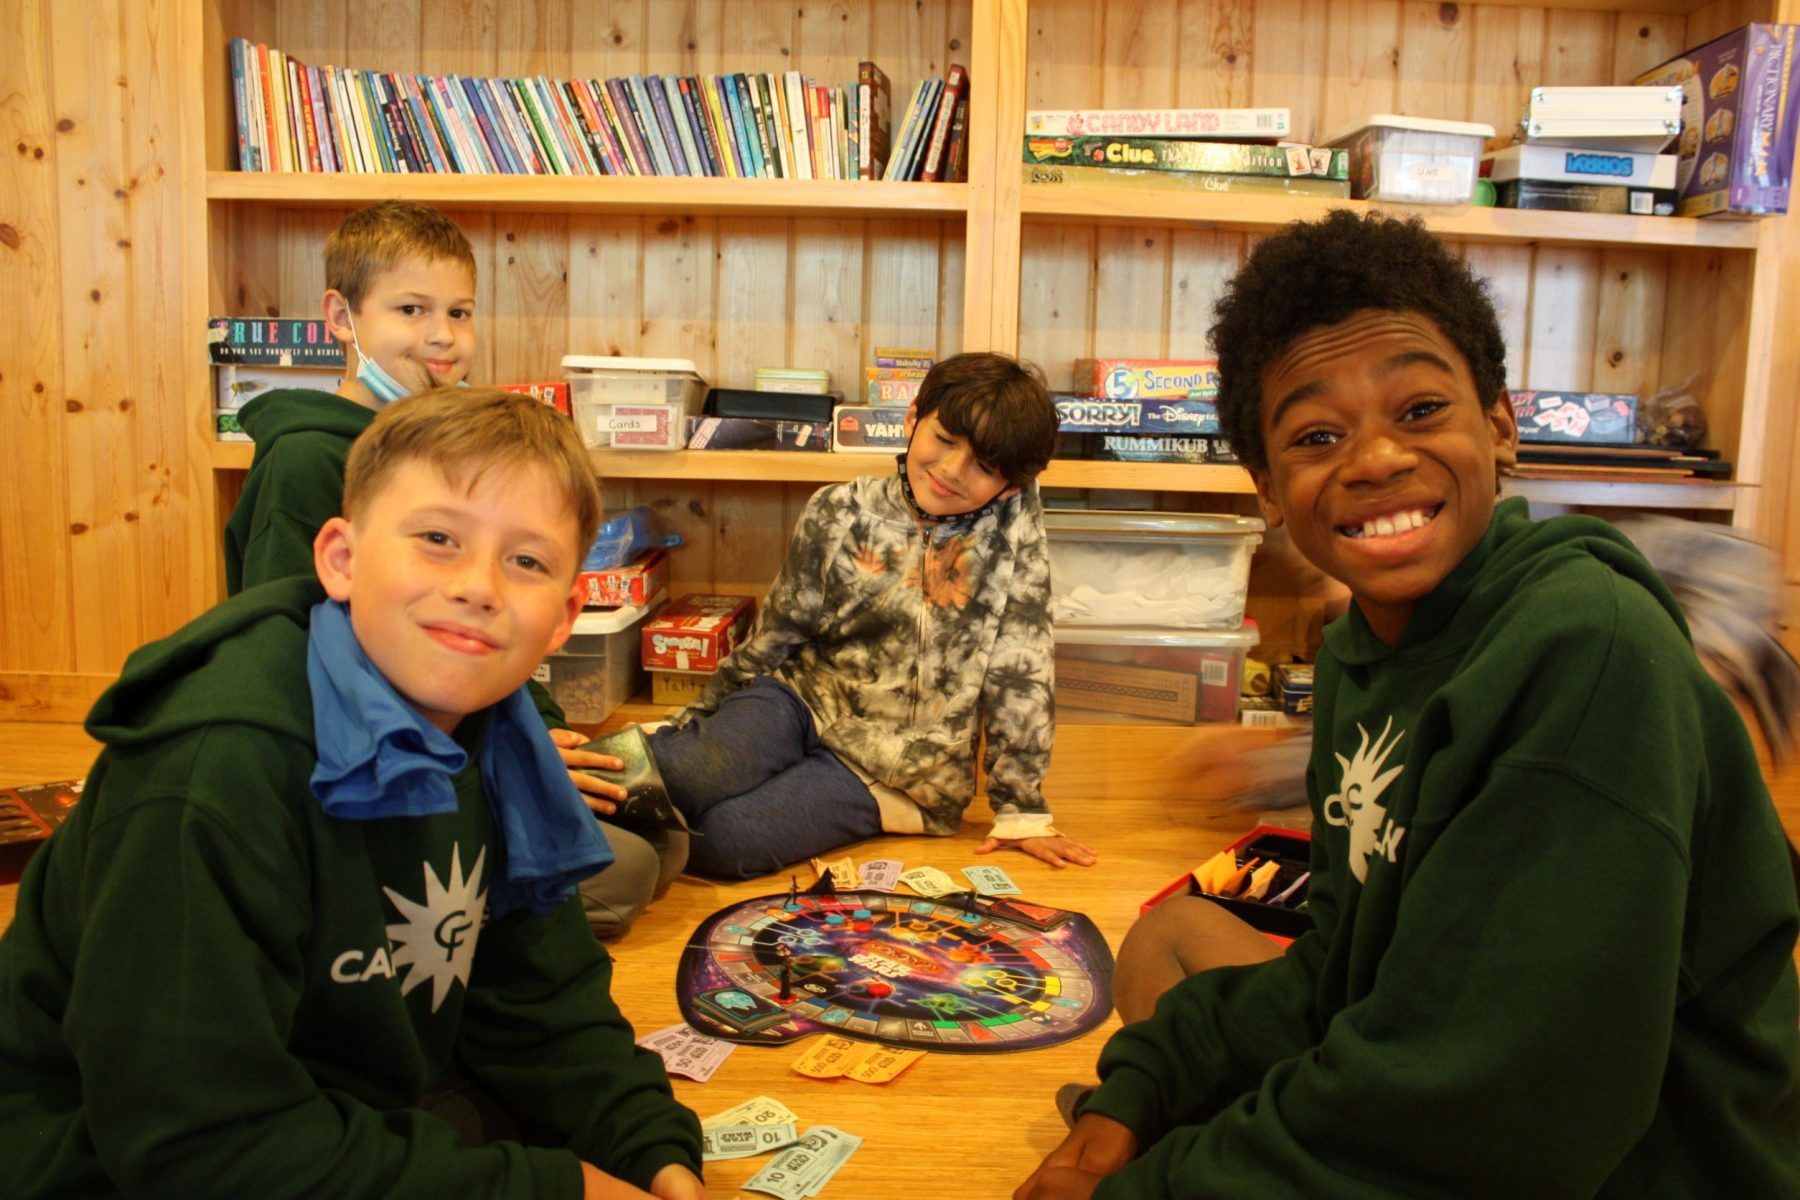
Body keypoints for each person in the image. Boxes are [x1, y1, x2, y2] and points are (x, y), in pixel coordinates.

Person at [1019, 211, 1799, 1199]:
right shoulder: (1358, 656)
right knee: (1169, 958)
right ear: (1267, 486)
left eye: (1421, 409)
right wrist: (1146, 1087)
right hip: (1482, 1102)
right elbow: (1347, 976)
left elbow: (1493, 1115)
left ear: (1501, 425)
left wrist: (1164, 1180)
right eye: (1315, 434)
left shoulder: (1586, 651)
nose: (1376, 458)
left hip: (1628, 1168)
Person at [0, 389, 709, 1200]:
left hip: (342, 1108)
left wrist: (652, 1152)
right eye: (438, 539)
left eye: (527, 561)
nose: (480, 586)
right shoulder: (216, 772)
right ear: (339, 558)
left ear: (564, 617)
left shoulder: (502, 731)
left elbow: (540, 996)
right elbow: (191, 1144)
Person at [220, 199, 682, 937]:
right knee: (622, 866)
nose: (443, 336)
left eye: (460, 313)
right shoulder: (307, 461)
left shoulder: (440, 441)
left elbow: (497, 612)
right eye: (411, 309)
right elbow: (298, 659)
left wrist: (540, 736)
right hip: (379, 755)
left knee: (662, 834)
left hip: (468, 717)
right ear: (341, 317)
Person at [649, 351, 1096, 879]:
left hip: (895, 766)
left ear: (1011, 487)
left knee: (725, 839)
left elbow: (1021, 668)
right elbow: (778, 632)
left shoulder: (1012, 539)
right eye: (945, 440)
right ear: (911, 419)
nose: (952, 470)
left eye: (984, 467)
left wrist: (1020, 807)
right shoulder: (838, 509)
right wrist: (694, 722)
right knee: (673, 775)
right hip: (801, 698)